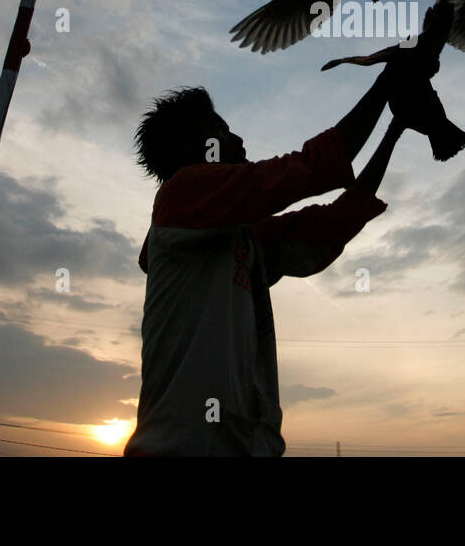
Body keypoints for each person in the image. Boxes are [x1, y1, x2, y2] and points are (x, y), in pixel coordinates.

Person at [123, 69, 418, 456]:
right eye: (220, 131)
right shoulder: (181, 192)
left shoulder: (245, 239)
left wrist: (394, 128)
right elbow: (310, 168)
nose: (238, 139)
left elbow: (333, 221)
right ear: (184, 150)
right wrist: (387, 81)